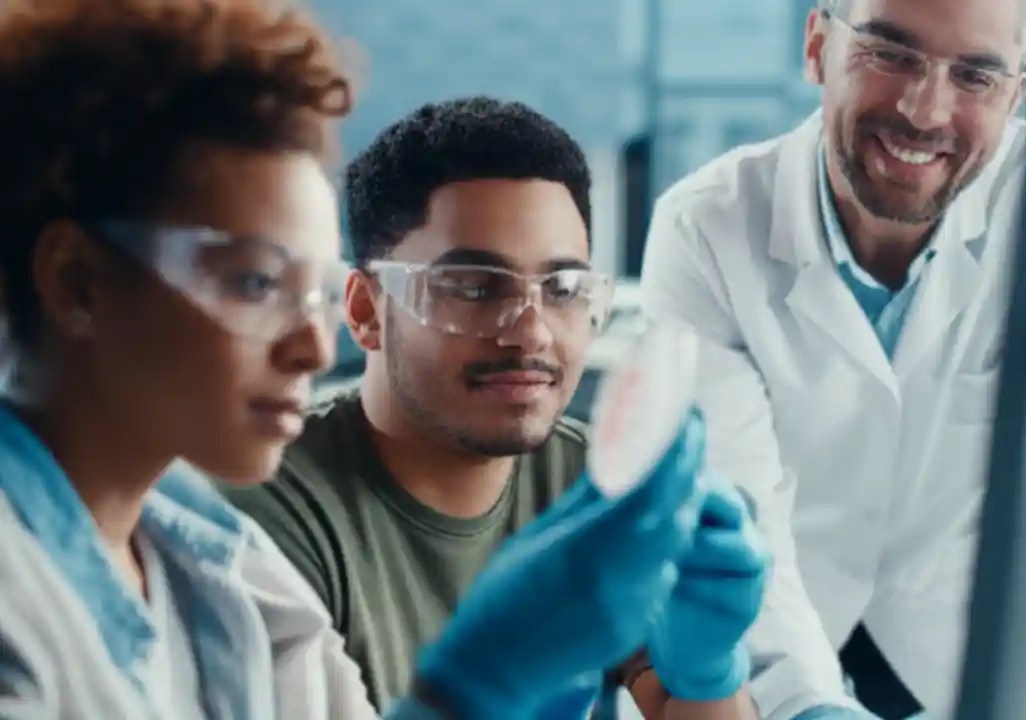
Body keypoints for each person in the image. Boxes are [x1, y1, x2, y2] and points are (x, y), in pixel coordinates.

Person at [0, 2, 721, 718]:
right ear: (77, 281)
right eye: (253, 282)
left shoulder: (225, 571)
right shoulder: (28, 595)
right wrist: (467, 694)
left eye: (307, 292)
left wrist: (705, 668)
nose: (313, 348)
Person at [223, 96, 767, 719]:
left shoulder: (593, 483)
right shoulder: (265, 520)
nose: (531, 333)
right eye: (475, 288)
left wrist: (704, 671)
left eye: (563, 289)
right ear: (366, 310)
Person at [639, 0, 1026, 718]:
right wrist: (811, 707)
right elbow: (731, 513)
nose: (925, 110)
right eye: (891, 54)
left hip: (966, 671)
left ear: (1016, 94)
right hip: (772, 666)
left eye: (976, 75)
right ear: (818, 46)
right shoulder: (705, 227)